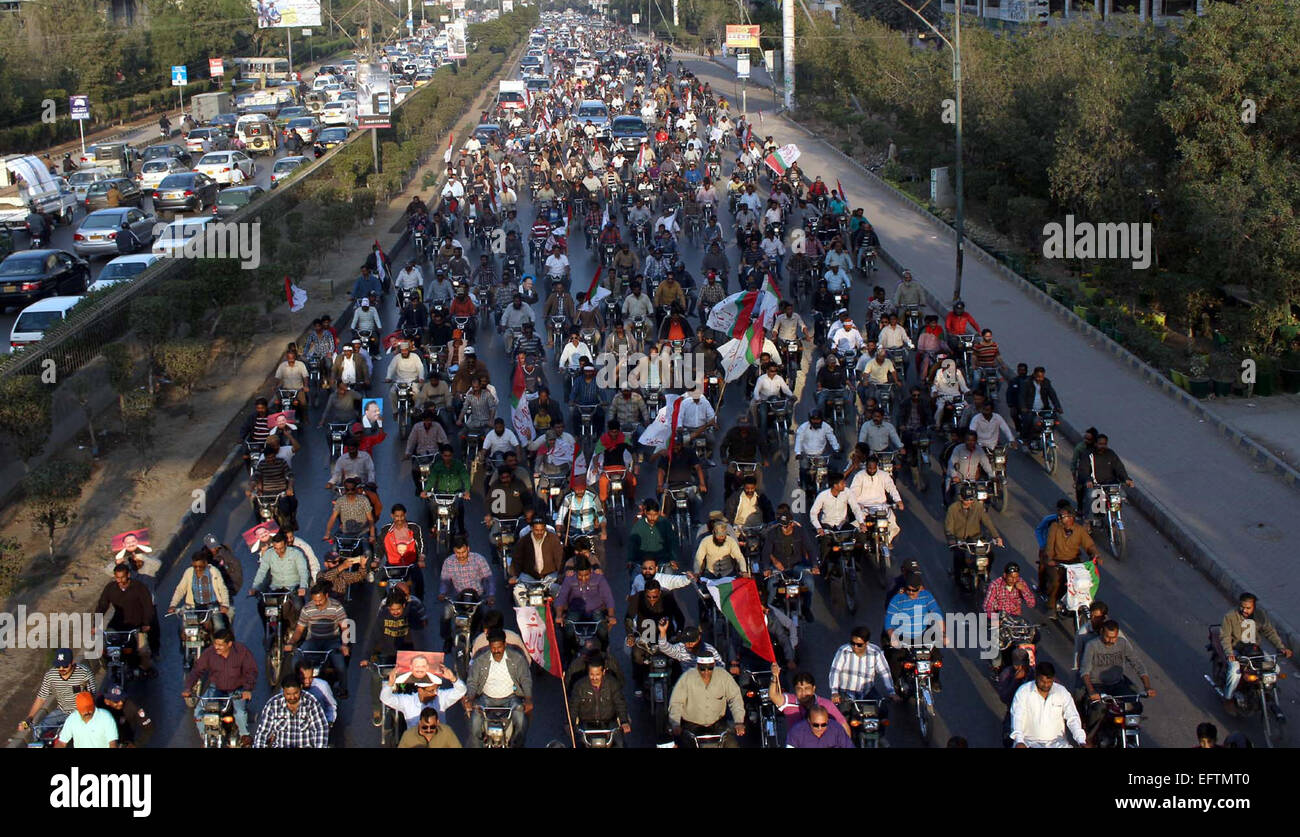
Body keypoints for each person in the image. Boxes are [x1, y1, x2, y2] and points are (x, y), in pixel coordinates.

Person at [1079, 620, 1157, 742]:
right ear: (1101, 633)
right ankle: (1090, 738)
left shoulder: (1123, 644)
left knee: (1135, 705)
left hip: (1117, 684)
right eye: (1108, 637)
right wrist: (1092, 692)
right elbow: (1085, 671)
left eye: (1114, 637)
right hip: (1098, 685)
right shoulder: (1092, 645)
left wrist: (1147, 686)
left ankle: (1129, 734)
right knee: (1099, 709)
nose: (1111, 640)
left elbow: (1137, 664)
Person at [181, 628, 257, 746]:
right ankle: (205, 736)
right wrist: (188, 688)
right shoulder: (209, 653)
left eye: (220, 645)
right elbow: (196, 671)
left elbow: (251, 671)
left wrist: (247, 689)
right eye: (215, 644)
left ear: (229, 644)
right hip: (216, 689)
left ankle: (244, 735)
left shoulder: (242, 651)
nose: (217, 647)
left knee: (240, 713)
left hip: (237, 690)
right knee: (198, 712)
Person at [1219, 592, 1293, 712]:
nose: (1245, 610)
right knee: (1234, 673)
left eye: (1248, 608)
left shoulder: (1260, 616)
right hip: (1237, 651)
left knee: (1276, 669)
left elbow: (1270, 632)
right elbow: (1225, 637)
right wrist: (1230, 654)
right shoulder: (1230, 616)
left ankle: (1265, 691)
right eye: (1242, 607)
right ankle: (1228, 698)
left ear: (1254, 607)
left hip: (1254, 651)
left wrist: (1281, 648)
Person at [463, 629, 533, 748]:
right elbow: (472, 682)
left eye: (499, 647)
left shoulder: (517, 659)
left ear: (505, 645)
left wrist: (528, 699)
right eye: (493, 648)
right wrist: (470, 698)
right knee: (474, 723)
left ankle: (517, 744)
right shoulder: (480, 661)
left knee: (521, 720)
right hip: (486, 698)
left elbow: (525, 680)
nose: (496, 651)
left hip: (511, 698)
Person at [285, 583, 351, 700]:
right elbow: (299, 629)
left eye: (320, 600)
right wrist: (291, 642)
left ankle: (343, 688)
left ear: (326, 595)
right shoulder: (307, 608)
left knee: (340, 664)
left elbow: (345, 628)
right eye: (315, 600)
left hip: (332, 641)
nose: (318, 603)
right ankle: (297, 684)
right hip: (312, 641)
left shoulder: (336, 606)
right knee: (296, 657)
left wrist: (344, 645)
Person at [668, 652, 746, 748]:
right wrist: (675, 724)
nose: (706, 672)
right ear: (697, 666)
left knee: (732, 744)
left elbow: (735, 698)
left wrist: (739, 721)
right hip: (692, 726)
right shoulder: (687, 677)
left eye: (710, 669)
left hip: (717, 724)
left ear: (714, 665)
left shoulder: (723, 676)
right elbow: (676, 702)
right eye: (702, 669)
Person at [884, 574, 945, 692]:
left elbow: (937, 613)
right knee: (895, 658)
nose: (911, 593)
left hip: (922, 634)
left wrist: (942, 633)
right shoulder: (898, 599)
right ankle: (897, 683)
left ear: (920, 588)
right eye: (909, 590)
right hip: (903, 636)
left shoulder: (927, 596)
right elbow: (889, 620)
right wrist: (893, 637)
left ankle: (935, 680)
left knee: (937, 659)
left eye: (914, 590)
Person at [95, 563, 157, 673]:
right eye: (117, 577)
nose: (119, 580)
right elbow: (102, 605)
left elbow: (148, 606)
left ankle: (146, 669)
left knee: (143, 651)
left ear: (128, 575)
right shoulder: (110, 588)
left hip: (137, 625)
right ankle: (110, 668)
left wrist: (146, 623)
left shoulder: (139, 587)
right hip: (118, 623)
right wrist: (95, 624)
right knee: (106, 648)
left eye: (122, 577)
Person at [1039, 506, 1101, 615]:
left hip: (1073, 562)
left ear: (1070, 517)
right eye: (1059, 516)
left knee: (1086, 580)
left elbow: (1089, 545)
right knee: (1056, 581)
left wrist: (1095, 555)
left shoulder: (1079, 530)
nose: (1059, 518)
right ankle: (1051, 605)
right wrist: (1050, 559)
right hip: (1056, 561)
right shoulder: (1054, 527)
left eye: (1062, 516)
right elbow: (1049, 547)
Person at [1010, 661, 1087, 748]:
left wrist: (1081, 740)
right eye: (1042, 681)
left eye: (1049, 682)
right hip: (1029, 743)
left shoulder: (1061, 692)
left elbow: (1072, 717)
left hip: (1058, 743)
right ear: (1036, 677)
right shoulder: (1023, 691)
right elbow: (1017, 717)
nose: (1046, 685)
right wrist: (1019, 741)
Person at [19, 648, 95, 734]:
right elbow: (41, 698)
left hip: (82, 712)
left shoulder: (84, 673)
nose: (61, 668)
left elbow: (92, 697)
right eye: (58, 666)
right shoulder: (50, 676)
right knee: (38, 731)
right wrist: (29, 718)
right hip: (62, 711)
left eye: (65, 665)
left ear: (72, 662)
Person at [438, 537, 495, 650]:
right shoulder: (449, 562)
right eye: (458, 553)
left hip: (477, 597)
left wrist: (491, 595)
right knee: (445, 614)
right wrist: (442, 593)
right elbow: (445, 581)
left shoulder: (479, 559)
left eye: (463, 552)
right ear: (454, 551)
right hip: (458, 597)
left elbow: (489, 579)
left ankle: (485, 642)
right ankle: (447, 639)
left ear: (468, 549)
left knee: (488, 618)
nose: (461, 555)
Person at [380, 659, 466, 730]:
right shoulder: (407, 702)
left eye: (436, 689)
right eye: (431, 691)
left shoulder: (441, 698)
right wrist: (390, 683)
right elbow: (385, 698)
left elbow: (461, 691)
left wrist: (453, 679)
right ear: (420, 690)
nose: (435, 693)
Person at [944, 483, 1004, 583]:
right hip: (960, 540)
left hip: (976, 538)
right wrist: (951, 538)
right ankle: (957, 577)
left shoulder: (978, 507)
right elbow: (948, 526)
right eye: (967, 499)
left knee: (990, 555)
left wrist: (997, 536)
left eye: (971, 499)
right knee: (959, 557)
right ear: (961, 498)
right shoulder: (953, 509)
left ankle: (986, 573)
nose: (969, 502)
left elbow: (987, 522)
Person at [569, 654, 633, 747]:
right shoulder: (579, 686)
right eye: (591, 674)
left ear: (603, 672)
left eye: (597, 674)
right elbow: (573, 706)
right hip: (586, 726)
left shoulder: (612, 684)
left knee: (621, 745)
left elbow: (620, 703)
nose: (594, 678)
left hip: (609, 725)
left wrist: (624, 722)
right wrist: (570, 723)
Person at [167, 550, 232, 636]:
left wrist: (225, 604)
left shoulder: (214, 571)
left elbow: (222, 589)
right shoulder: (189, 572)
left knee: (219, 626)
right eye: (195, 566)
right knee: (185, 630)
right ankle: (185, 647)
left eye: (200, 566)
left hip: (211, 606)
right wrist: (173, 605)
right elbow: (180, 590)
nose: (197, 569)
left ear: (205, 563)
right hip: (193, 607)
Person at [253, 678, 330, 748]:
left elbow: (321, 729)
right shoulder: (273, 704)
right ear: (283, 690)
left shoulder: (311, 702)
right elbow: (262, 733)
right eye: (288, 694)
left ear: (301, 688)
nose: (292, 697)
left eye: (295, 693)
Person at [1077, 434, 1135, 524]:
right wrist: (1088, 480)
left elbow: (1119, 467)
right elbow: (1083, 470)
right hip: (1095, 484)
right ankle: (1088, 520)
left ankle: (1114, 515)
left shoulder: (1110, 454)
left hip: (1110, 484)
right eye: (1100, 444)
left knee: (1119, 497)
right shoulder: (1088, 454)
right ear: (1095, 444)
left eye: (1104, 444)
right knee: (1090, 496)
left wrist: (1126, 479)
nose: (1102, 446)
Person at [1018, 366, 1064, 443]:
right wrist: (1023, 407)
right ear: (1034, 375)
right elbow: (1021, 396)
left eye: (1042, 377)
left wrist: (1058, 407)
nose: (1040, 379)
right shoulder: (1026, 383)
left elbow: (1053, 395)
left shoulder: (1046, 383)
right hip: (1030, 409)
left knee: (1054, 420)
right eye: (1038, 377)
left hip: (1043, 409)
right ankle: (1024, 439)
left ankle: (1048, 436)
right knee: (1028, 420)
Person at [786, 705, 853, 749]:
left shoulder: (837, 729)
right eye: (816, 725)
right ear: (809, 720)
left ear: (827, 721)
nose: (820, 728)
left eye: (823, 725)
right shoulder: (796, 732)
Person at [398, 706, 463, 748]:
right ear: (420, 723)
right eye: (425, 727)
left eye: (432, 727)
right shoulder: (408, 735)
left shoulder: (446, 732)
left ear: (437, 722)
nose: (428, 730)